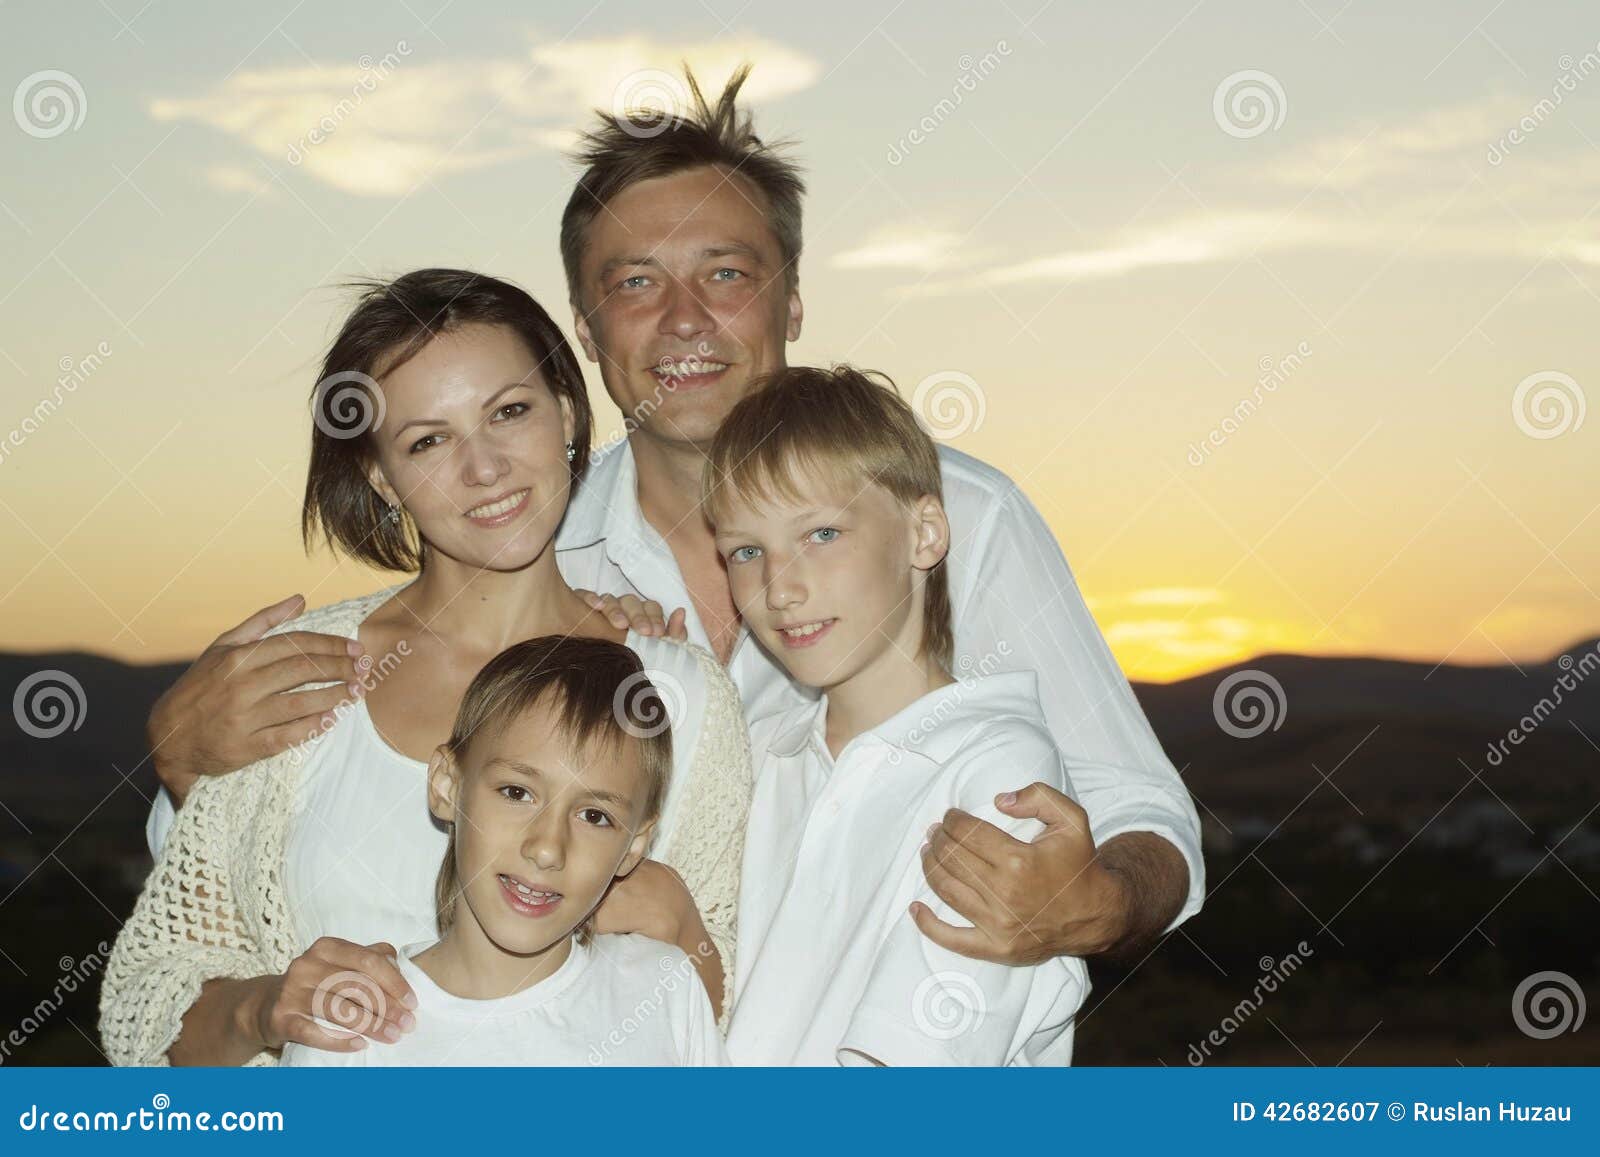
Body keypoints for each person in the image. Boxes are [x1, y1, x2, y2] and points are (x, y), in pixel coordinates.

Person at [142, 66, 1202, 975]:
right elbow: (341, 853)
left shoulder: (957, 512)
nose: (685, 318)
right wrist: (184, 768)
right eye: (637, 282)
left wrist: (1094, 904)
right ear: (586, 330)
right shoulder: (527, 543)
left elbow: (1141, 814)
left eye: (727, 274)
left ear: (792, 301)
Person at [99, 269, 751, 1066]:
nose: (485, 468)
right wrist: (266, 1006)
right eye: (428, 441)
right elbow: (150, 1006)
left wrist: (678, 922)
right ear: (381, 475)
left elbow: (709, 1028)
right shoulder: (293, 683)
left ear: (567, 414)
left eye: (509, 412)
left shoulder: (675, 695)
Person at [710, 365, 1086, 1065]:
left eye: (822, 533)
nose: (779, 587)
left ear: (925, 533)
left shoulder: (999, 769)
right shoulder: (760, 755)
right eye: (746, 551)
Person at [283, 636, 728, 1067]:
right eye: (517, 792)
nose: (547, 849)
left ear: (635, 846)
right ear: (447, 786)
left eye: (594, 816)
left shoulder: (666, 989)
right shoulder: (350, 1031)